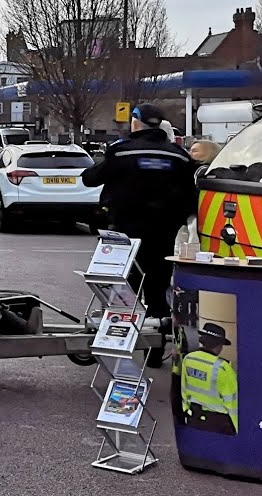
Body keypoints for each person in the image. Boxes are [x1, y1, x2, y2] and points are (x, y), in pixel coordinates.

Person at [81, 103, 196, 367]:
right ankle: (155, 350)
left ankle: (119, 345)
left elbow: (91, 178)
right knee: (157, 289)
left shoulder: (121, 151)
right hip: (162, 232)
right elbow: (190, 195)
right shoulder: (178, 155)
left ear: (136, 122)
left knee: (124, 289)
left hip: (125, 231)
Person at [179, 323, 238, 435]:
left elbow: (184, 388)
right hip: (218, 424)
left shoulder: (188, 358)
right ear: (219, 345)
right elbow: (232, 403)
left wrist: (186, 410)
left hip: (194, 417)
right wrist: (237, 428)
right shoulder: (223, 368)